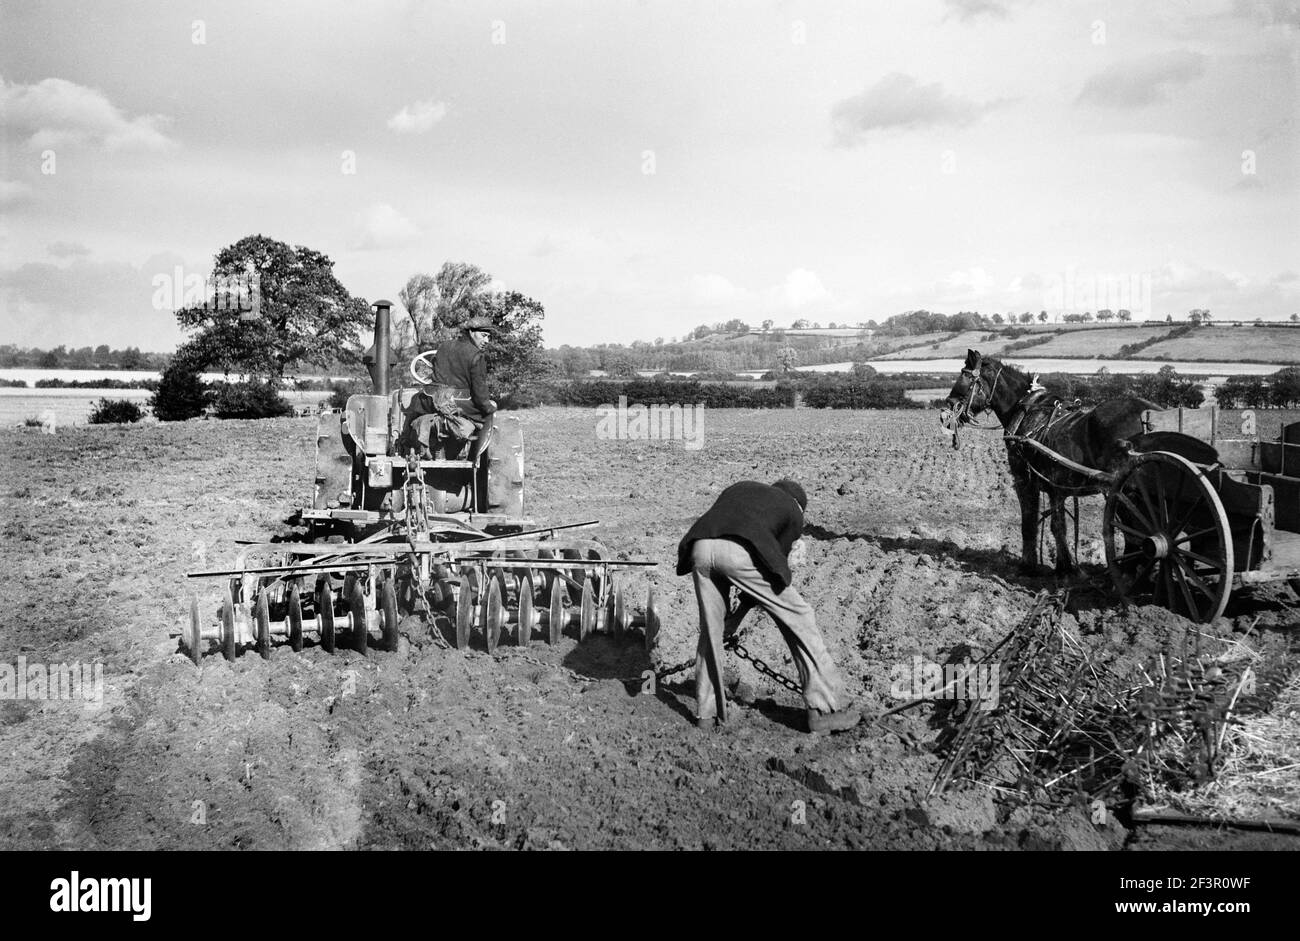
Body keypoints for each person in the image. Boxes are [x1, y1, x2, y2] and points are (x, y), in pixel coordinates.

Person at [676, 478, 862, 734]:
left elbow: (736, 558)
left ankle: (706, 716)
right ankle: (823, 710)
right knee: (800, 616)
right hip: (739, 552)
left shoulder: (742, 488)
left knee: (712, 633)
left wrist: (734, 619)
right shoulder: (792, 511)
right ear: (799, 505)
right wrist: (743, 611)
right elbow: (771, 571)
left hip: (699, 547)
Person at [399, 316, 500, 458]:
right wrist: (489, 408)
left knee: (413, 406)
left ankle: (405, 441)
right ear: (471, 332)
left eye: (488, 337)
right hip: (457, 405)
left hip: (429, 402)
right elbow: (479, 392)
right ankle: (475, 458)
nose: (487, 341)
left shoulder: (444, 346)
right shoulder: (477, 356)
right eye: (484, 336)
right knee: (488, 415)